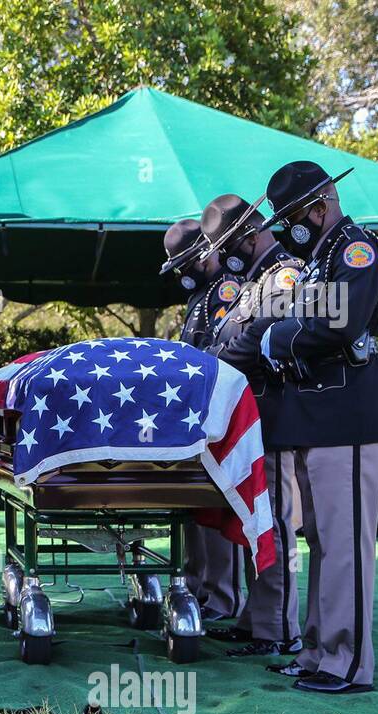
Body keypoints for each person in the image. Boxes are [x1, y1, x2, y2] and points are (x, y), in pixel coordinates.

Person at [255, 161, 378, 694]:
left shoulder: (354, 250)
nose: (287, 228)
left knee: (346, 546)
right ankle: (319, 650)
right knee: (320, 540)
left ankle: (349, 662)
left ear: (321, 206)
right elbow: (302, 320)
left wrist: (279, 338)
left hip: (350, 415)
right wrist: (283, 332)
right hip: (319, 416)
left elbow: (339, 324)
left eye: (292, 215)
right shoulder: (318, 261)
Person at [196, 192, 304, 658]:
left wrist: (211, 364)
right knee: (251, 519)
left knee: (272, 523)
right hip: (248, 419)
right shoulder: (254, 279)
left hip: (273, 414)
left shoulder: (283, 274)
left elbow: (262, 334)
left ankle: (277, 629)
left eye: (227, 244)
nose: (225, 255)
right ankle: (255, 618)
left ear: (246, 235)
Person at [159, 219, 246, 621]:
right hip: (198, 418)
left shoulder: (227, 290)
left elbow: (222, 349)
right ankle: (195, 588)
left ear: (207, 253)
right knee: (195, 508)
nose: (182, 273)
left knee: (215, 507)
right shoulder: (203, 296)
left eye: (186, 263)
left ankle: (221, 596)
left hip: (218, 415)